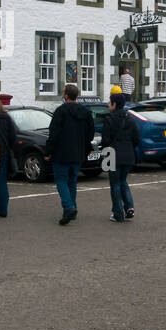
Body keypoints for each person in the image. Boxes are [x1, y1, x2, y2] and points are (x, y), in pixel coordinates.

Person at [47, 83, 95, 225]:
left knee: (61, 180)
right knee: (72, 181)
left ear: (66, 95)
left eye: (63, 92)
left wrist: (48, 150)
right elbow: (90, 134)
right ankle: (71, 208)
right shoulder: (86, 113)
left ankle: (68, 207)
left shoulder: (60, 111)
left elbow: (53, 133)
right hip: (78, 153)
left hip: (61, 153)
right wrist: (85, 148)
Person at [101, 92, 140, 222]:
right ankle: (129, 207)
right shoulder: (130, 118)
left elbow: (105, 140)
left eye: (109, 102)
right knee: (123, 181)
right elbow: (137, 138)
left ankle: (118, 213)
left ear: (114, 104)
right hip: (128, 154)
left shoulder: (109, 119)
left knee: (115, 184)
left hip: (112, 154)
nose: (108, 104)